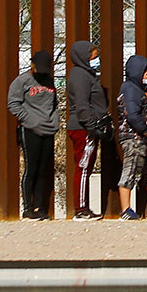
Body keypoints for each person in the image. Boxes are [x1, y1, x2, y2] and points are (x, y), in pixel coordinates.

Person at [8, 50, 62, 220]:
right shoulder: (22, 81)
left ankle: (40, 207)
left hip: (48, 128)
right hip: (30, 129)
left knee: (43, 169)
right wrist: (30, 120)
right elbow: (13, 103)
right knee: (31, 168)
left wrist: (54, 120)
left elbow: (54, 103)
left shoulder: (49, 81)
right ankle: (27, 207)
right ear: (32, 65)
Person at [65, 39, 111, 220]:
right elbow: (82, 105)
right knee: (83, 168)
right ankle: (81, 209)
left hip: (87, 127)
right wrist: (92, 127)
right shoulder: (80, 76)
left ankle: (83, 207)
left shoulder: (86, 75)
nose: (96, 60)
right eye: (94, 57)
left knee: (85, 167)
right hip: (83, 129)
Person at [117, 52, 147, 220]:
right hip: (134, 138)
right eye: (146, 74)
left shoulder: (140, 90)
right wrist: (144, 130)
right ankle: (125, 209)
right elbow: (133, 114)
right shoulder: (130, 90)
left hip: (145, 138)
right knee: (131, 170)